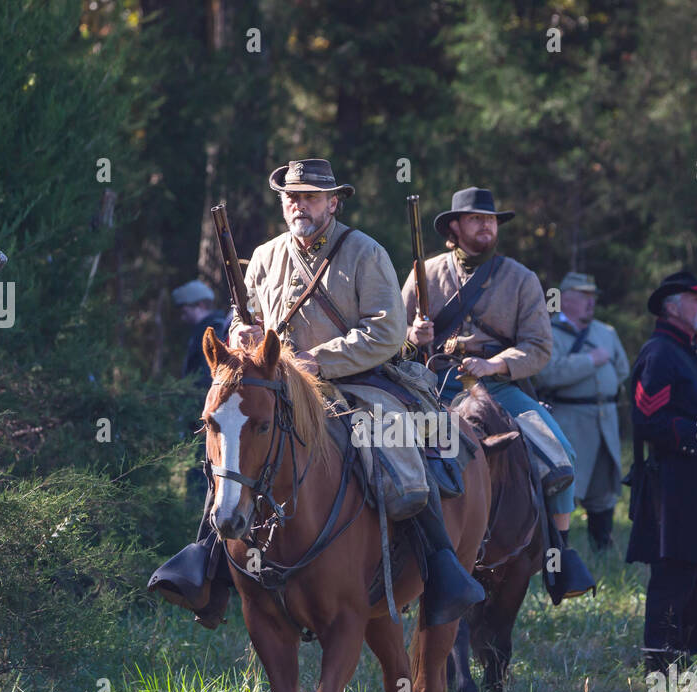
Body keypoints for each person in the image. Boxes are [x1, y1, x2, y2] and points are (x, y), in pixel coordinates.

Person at [152, 158, 483, 627]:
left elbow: (387, 332)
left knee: (399, 453)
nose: (298, 205)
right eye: (291, 197)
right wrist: (243, 336)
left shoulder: (365, 253)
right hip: (280, 383)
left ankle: (442, 564)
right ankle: (207, 559)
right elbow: (242, 314)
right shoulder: (266, 255)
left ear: (333, 202)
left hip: (360, 382)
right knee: (232, 448)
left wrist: (319, 360)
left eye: (308, 196)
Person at [402, 186, 595, 602]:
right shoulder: (424, 274)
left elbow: (539, 347)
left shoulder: (521, 278)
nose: (487, 226)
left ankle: (561, 552)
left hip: (498, 386)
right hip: (433, 385)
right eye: (476, 219)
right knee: (383, 448)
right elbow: (392, 342)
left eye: (490, 220)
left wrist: (495, 365)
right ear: (454, 227)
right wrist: (412, 336)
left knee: (561, 456)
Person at [626, 271, 697, 672]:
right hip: (670, 486)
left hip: (696, 483)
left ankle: (681, 659)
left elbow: (687, 411)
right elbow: (647, 421)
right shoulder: (660, 353)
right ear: (671, 307)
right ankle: (660, 667)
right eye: (695, 298)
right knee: (673, 575)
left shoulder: (686, 350)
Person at [532, 272, 630, 552]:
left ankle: (602, 550)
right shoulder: (547, 332)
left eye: (593, 297)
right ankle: (556, 555)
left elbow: (621, 369)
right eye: (584, 297)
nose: (591, 303)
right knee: (564, 487)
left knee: (603, 492)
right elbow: (546, 375)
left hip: (605, 422)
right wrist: (589, 361)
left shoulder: (606, 332)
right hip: (568, 420)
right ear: (564, 299)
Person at [174, 280, 230, 380]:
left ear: (201, 305)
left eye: (184, 312)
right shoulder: (202, 331)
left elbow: (209, 377)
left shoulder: (214, 332)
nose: (182, 318)